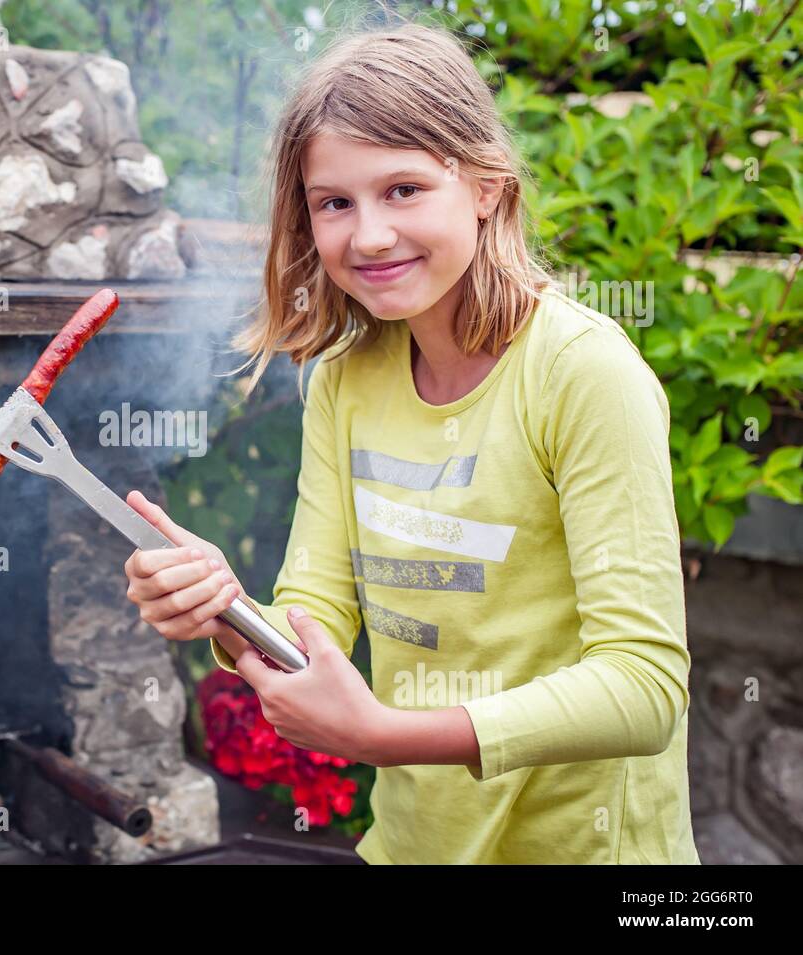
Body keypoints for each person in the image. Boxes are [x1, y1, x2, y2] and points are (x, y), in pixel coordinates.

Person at [123, 21, 700, 864]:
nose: (369, 236)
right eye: (334, 203)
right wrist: (223, 607)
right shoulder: (345, 378)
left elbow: (644, 689)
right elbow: (313, 618)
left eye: (403, 189)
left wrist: (385, 735)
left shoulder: (582, 373)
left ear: (487, 187)